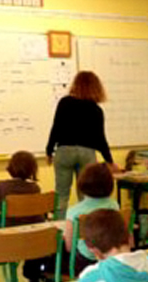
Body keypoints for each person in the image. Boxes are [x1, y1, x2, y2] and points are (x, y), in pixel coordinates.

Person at [46, 70, 117, 217]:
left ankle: (60, 232)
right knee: (87, 195)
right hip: (86, 153)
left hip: (64, 151)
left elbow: (56, 127)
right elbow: (100, 139)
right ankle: (86, 228)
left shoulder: (65, 102)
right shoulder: (96, 110)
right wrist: (109, 161)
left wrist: (49, 151)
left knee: (61, 194)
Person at [65, 162, 120, 275]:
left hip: (85, 263)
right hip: (111, 259)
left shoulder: (74, 212)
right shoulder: (114, 206)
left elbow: (69, 247)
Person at [0, 150, 43, 225]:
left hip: (9, 233)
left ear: (11, 167)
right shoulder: (35, 188)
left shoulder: (0, 187)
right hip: (33, 234)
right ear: (32, 169)